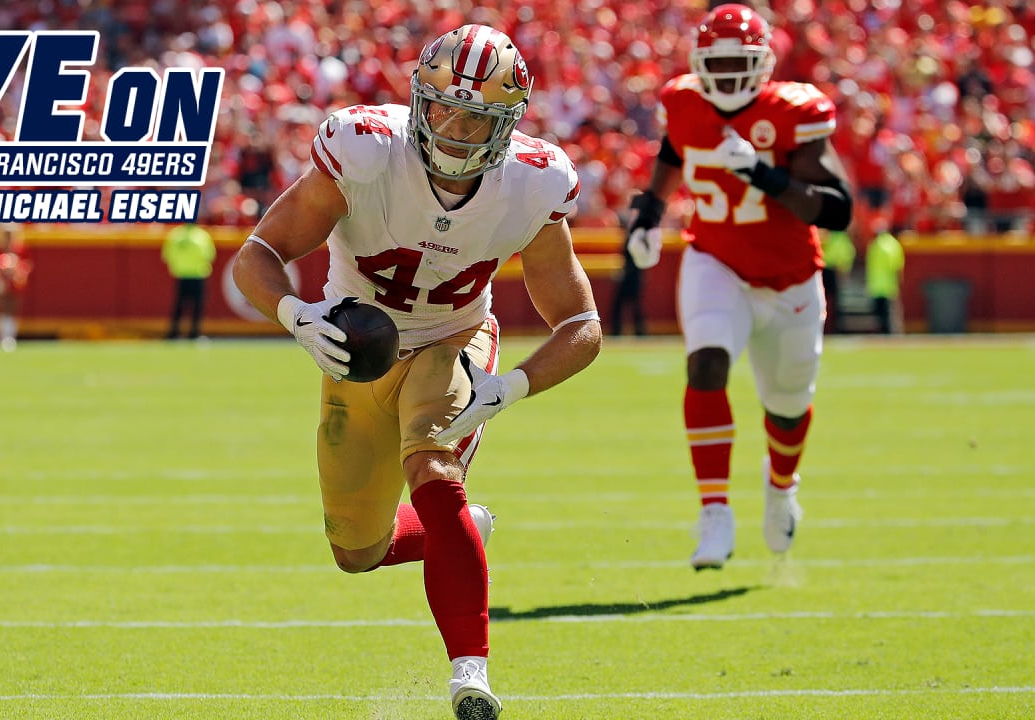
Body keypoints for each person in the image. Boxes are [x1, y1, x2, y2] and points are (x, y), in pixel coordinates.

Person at [230, 24, 601, 720]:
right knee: (357, 552)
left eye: (476, 117)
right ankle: (463, 529)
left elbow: (581, 326)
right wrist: (296, 316)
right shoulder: (363, 151)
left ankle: (471, 674)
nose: (455, 130)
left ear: (509, 124)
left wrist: (509, 385)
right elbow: (259, 252)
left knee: (433, 470)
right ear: (415, 101)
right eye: (441, 109)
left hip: (454, 336)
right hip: (357, 351)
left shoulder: (533, 181)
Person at [624, 4, 852, 570]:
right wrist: (650, 214)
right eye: (716, 65)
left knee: (788, 406)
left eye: (737, 65)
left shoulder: (793, 112)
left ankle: (781, 488)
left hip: (791, 278)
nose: (725, 78)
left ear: (764, 64)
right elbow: (674, 152)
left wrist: (764, 173)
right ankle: (715, 511)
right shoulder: (683, 100)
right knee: (705, 363)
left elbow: (839, 209)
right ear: (700, 64)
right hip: (714, 258)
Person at [162, 222, 216, 339]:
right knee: (197, 307)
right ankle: (194, 334)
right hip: (198, 274)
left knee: (179, 306)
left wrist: (177, 266)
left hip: (182, 274)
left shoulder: (176, 234)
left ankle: (173, 333)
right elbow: (210, 255)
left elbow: (167, 254)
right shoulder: (202, 235)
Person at [0, 223, 33, 351]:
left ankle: (11, 337)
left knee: (13, 308)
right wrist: (0, 271)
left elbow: (27, 266)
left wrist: (16, 270)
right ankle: (2, 336)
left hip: (15, 281)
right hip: (1, 282)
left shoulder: (21, 249)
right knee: (2, 307)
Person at [865, 220, 904, 334]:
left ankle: (884, 333)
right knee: (888, 313)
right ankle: (890, 334)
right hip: (889, 284)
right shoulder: (893, 244)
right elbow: (897, 265)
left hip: (876, 285)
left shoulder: (874, 245)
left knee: (880, 315)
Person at [821, 227, 856, 334]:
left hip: (828, 269)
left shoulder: (829, 236)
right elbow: (847, 255)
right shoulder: (841, 238)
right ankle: (832, 327)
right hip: (831, 270)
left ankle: (829, 326)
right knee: (833, 302)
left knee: (829, 301)